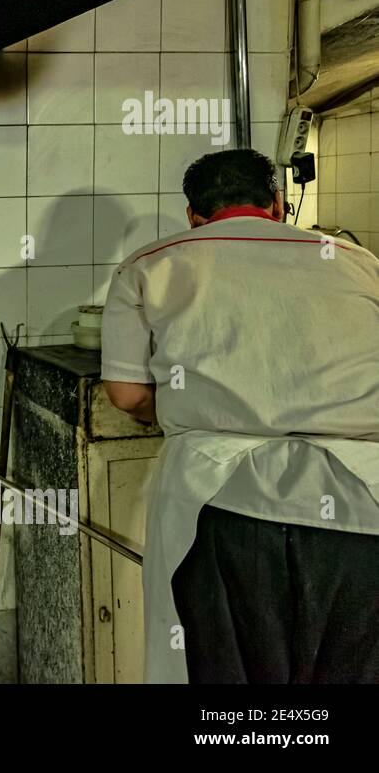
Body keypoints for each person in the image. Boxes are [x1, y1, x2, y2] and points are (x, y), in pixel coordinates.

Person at [101, 148, 379, 683]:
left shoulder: (147, 264)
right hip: (361, 506)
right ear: (276, 204)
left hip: (227, 509)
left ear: (192, 215)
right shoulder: (354, 259)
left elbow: (127, 395)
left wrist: (207, 402)